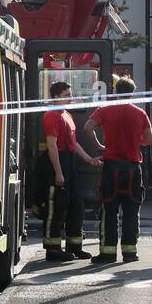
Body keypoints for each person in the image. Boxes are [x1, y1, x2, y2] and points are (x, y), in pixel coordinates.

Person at [84, 77, 152, 264]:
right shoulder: (140, 113)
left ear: (115, 91)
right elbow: (149, 139)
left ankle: (108, 253)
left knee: (109, 210)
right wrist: (133, 142)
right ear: (132, 92)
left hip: (111, 167)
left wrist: (100, 145)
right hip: (132, 168)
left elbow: (88, 128)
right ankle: (130, 253)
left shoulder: (104, 110)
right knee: (131, 210)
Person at [41, 81, 102, 262]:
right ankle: (53, 249)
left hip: (70, 162)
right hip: (58, 162)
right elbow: (52, 145)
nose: (71, 97)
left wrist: (89, 159)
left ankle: (75, 246)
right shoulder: (51, 116)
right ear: (57, 96)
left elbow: (74, 143)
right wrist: (58, 173)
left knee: (77, 205)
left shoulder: (66, 115)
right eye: (68, 94)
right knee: (57, 207)